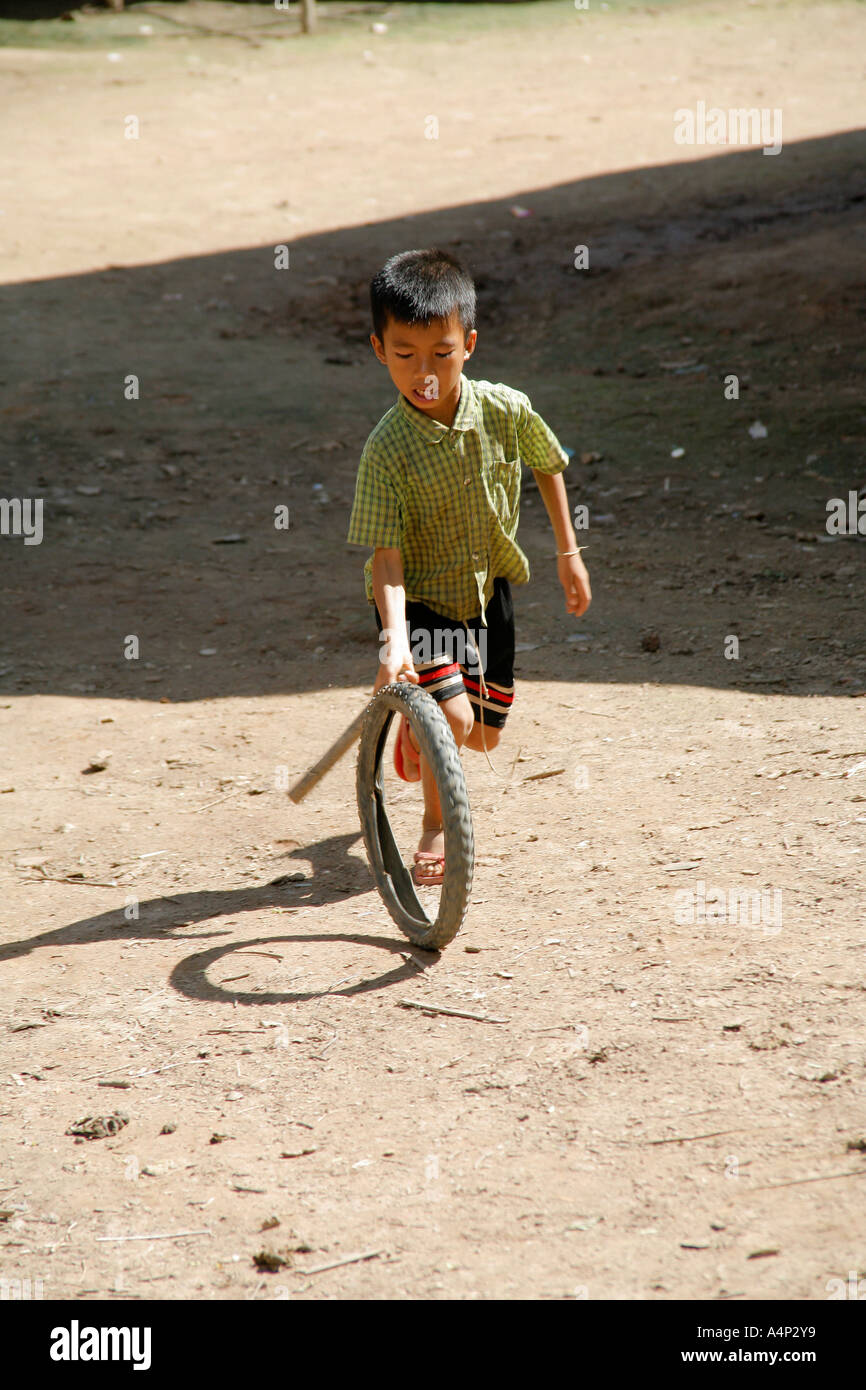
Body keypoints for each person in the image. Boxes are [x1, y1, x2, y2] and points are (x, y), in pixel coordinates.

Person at [346, 248, 591, 885]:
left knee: (482, 736)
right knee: (450, 719)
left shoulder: (505, 410)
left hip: (487, 591)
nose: (424, 373)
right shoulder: (386, 450)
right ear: (379, 349)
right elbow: (387, 555)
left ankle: (415, 737)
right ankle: (434, 820)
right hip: (419, 598)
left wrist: (569, 554)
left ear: (470, 343)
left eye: (442, 353)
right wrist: (394, 639)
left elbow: (549, 461)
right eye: (405, 355)